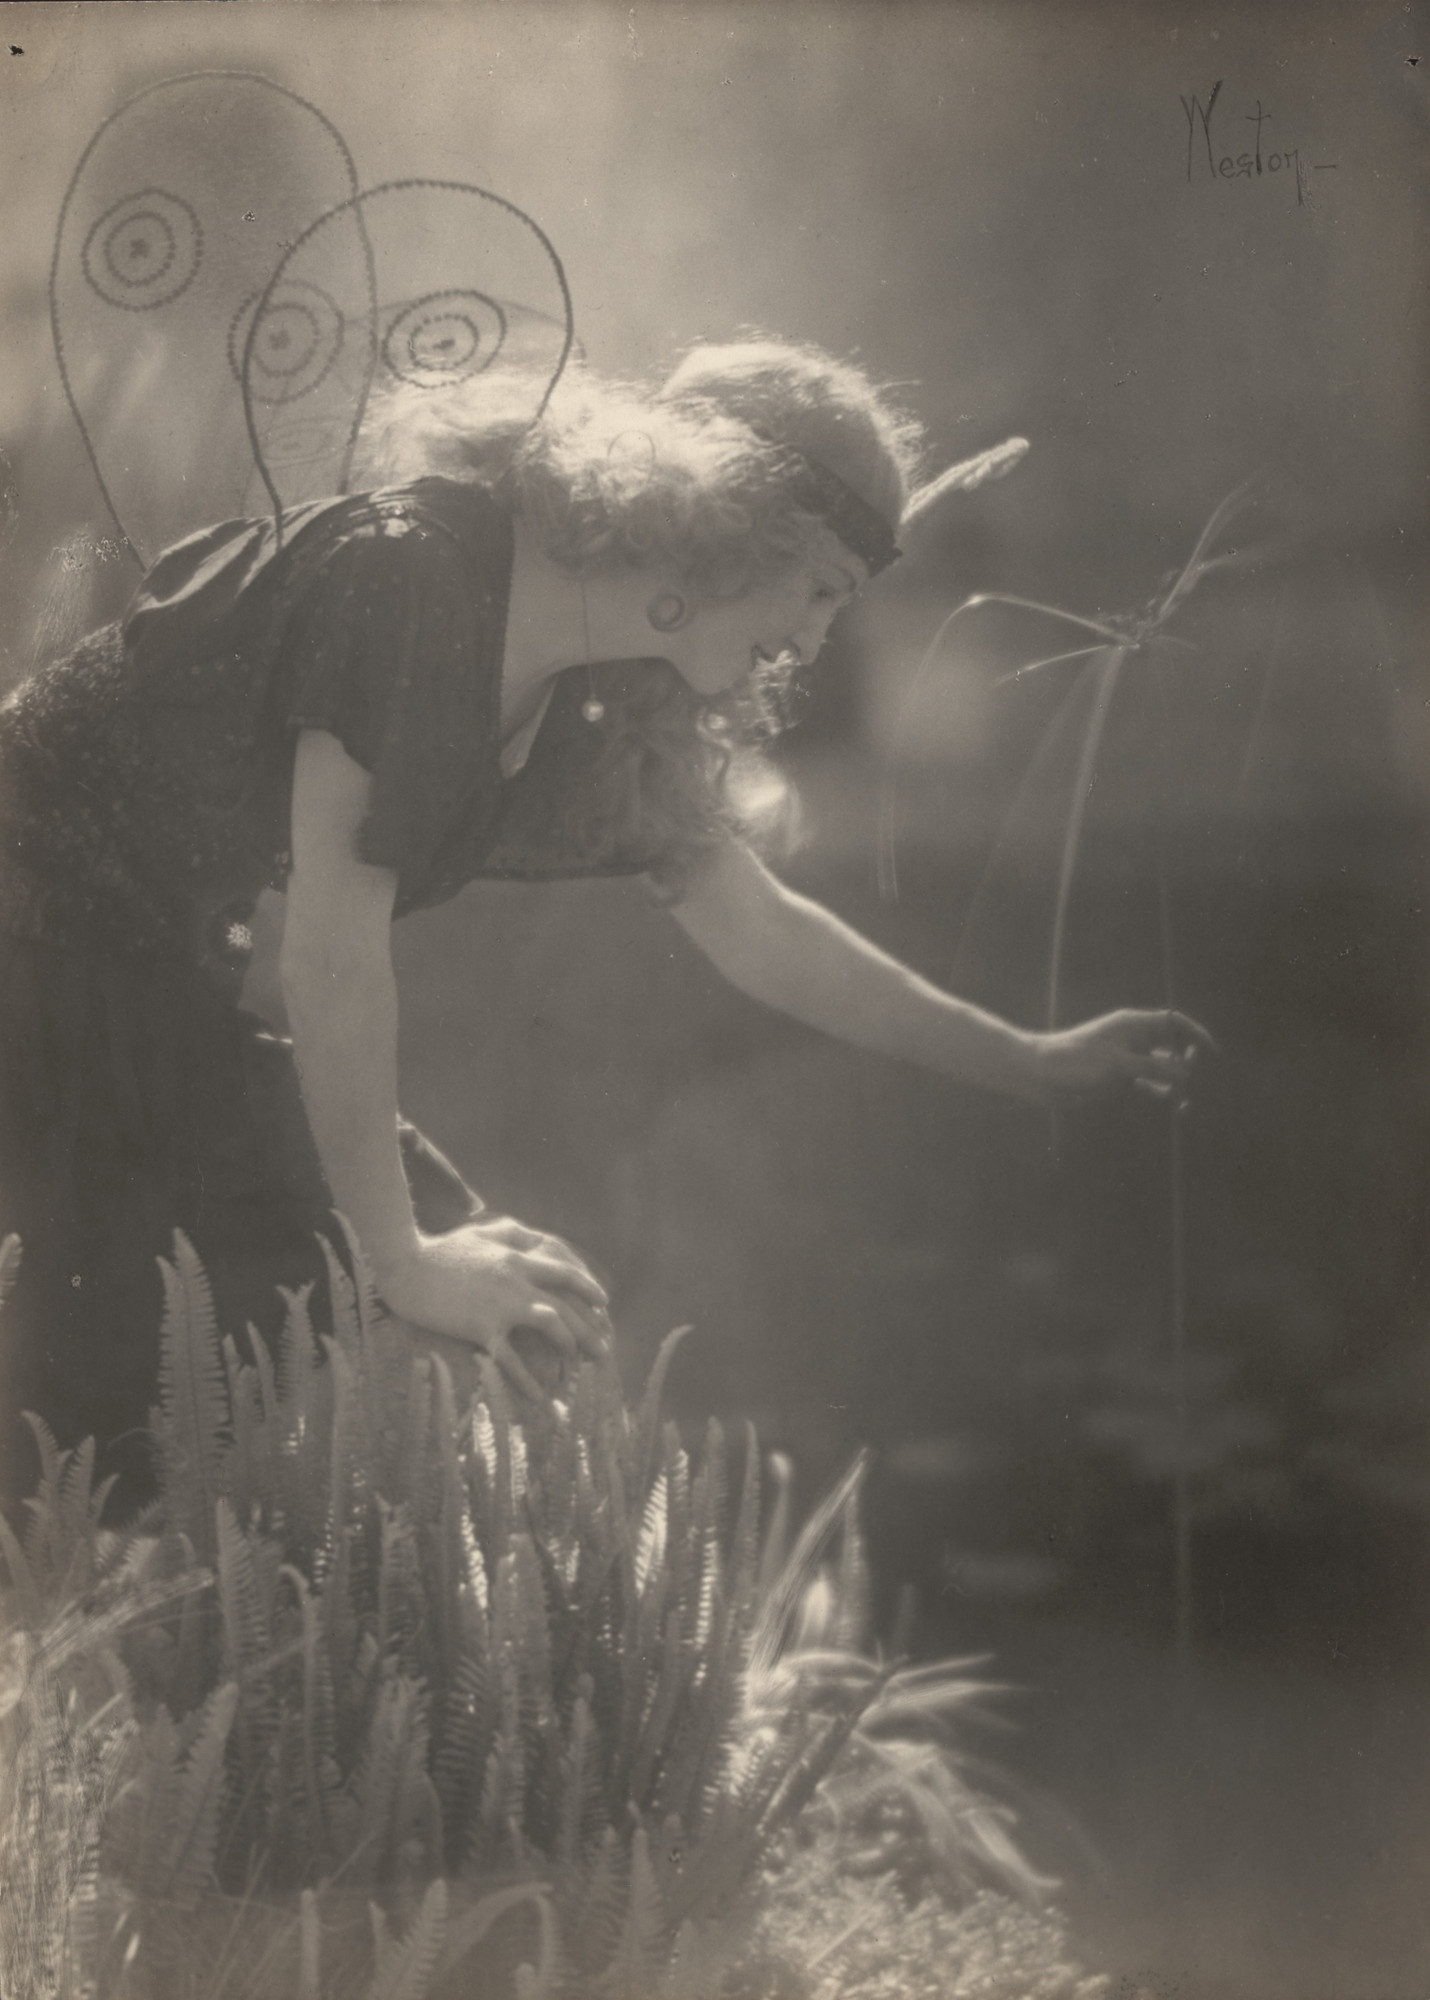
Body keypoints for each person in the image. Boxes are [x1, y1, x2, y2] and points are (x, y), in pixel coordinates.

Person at [0, 337, 1208, 1510]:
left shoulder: (602, 684)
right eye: (820, 591)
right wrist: (402, 1256)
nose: (809, 641)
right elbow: (330, 950)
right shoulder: (412, 575)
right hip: (37, 975)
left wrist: (1025, 1059)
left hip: (140, 988)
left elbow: (759, 926)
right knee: (185, 1403)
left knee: (506, 1328)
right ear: (741, 520)